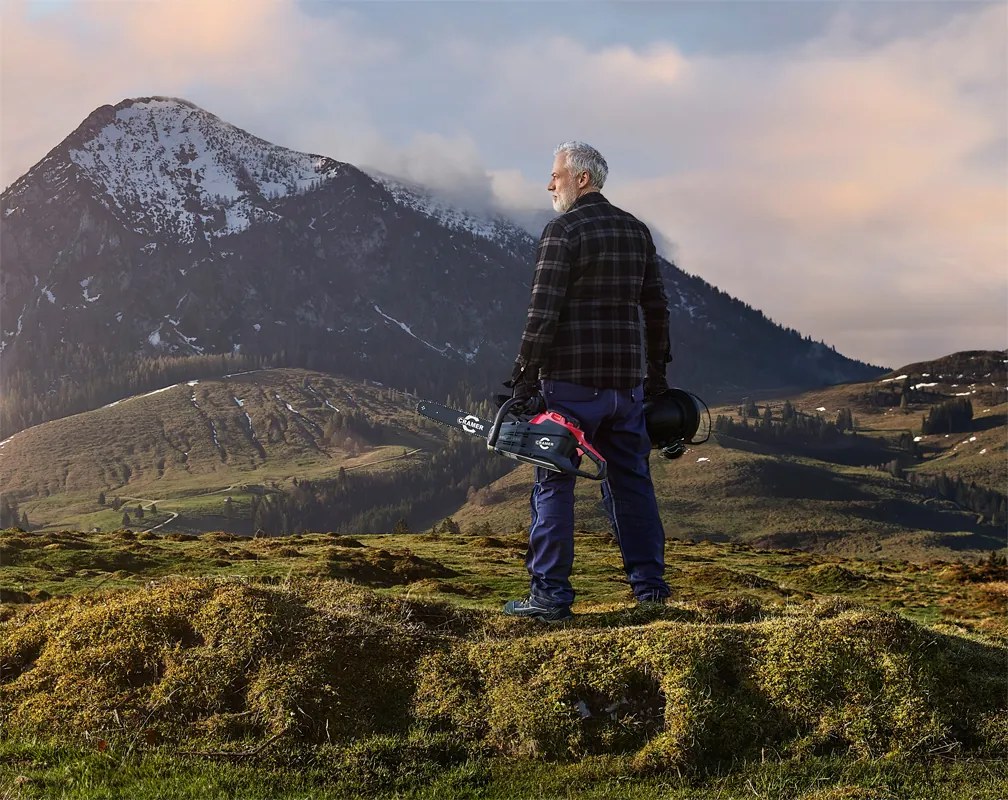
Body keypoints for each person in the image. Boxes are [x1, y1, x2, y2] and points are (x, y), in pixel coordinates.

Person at [502, 140, 673, 623]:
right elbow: (656, 309)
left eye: (555, 174)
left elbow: (543, 312)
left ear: (581, 178)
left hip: (571, 387)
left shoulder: (563, 230)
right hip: (627, 388)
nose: (549, 183)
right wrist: (656, 378)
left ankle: (550, 598)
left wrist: (522, 378)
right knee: (632, 486)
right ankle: (651, 593)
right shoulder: (636, 231)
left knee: (554, 483)